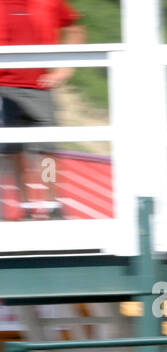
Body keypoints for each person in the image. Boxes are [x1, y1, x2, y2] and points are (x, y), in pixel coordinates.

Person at [0, 0, 84, 221]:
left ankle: (53, 205)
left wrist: (64, 70)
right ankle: (25, 207)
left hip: (40, 86)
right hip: (4, 88)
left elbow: (74, 27)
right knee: (12, 151)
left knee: (48, 153)